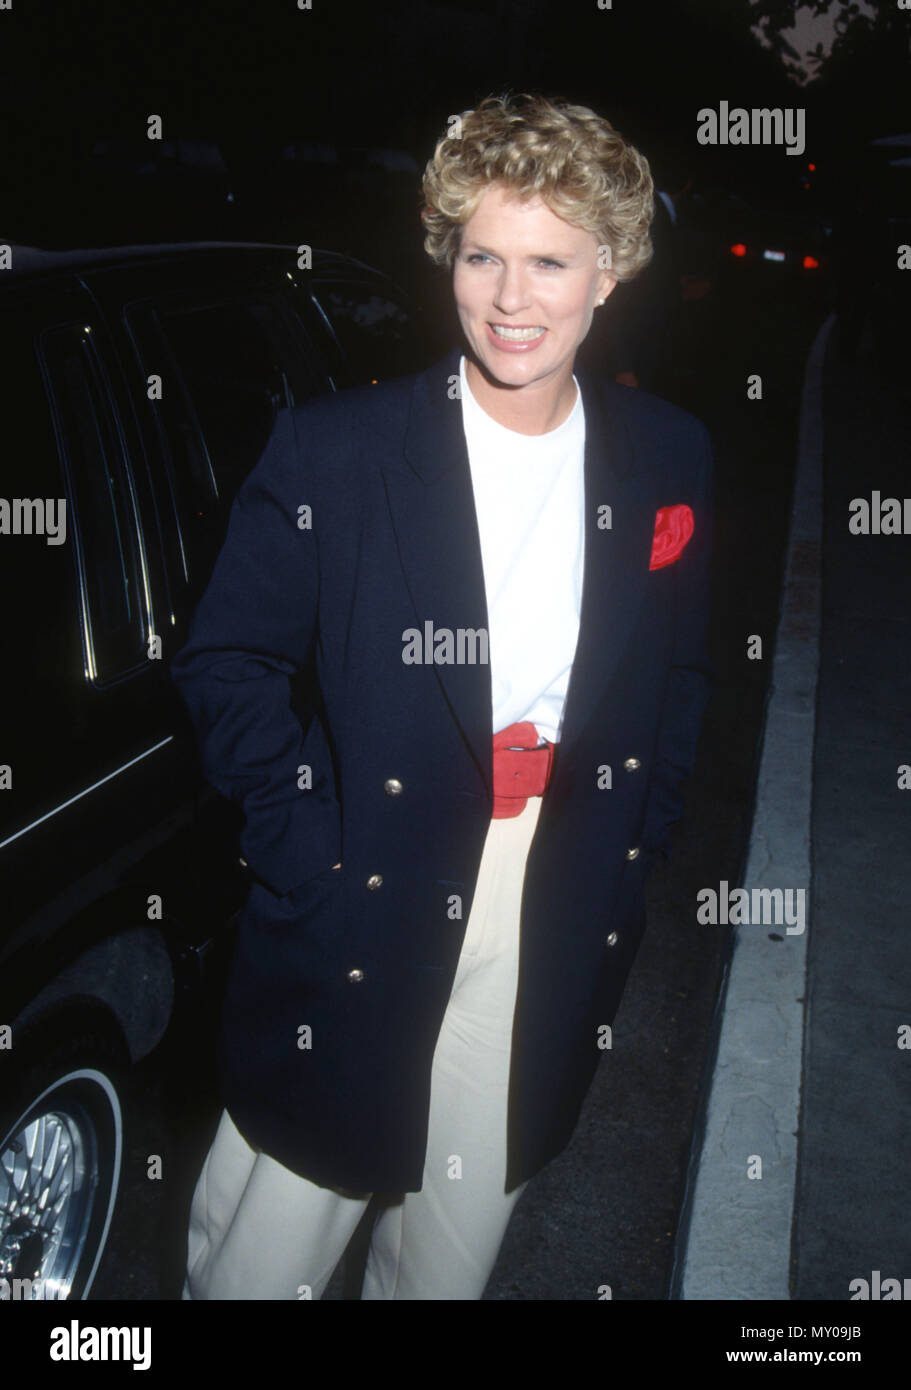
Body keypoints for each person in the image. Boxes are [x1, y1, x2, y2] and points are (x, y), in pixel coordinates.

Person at [171, 91, 714, 1301]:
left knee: (456, 1239)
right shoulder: (337, 449)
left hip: (554, 882)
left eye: (547, 261)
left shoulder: (668, 452)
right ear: (445, 257)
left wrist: (637, 836)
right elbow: (227, 662)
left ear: (610, 271)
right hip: (365, 869)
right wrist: (303, 846)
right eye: (481, 255)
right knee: (272, 1239)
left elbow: (676, 674)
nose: (510, 298)